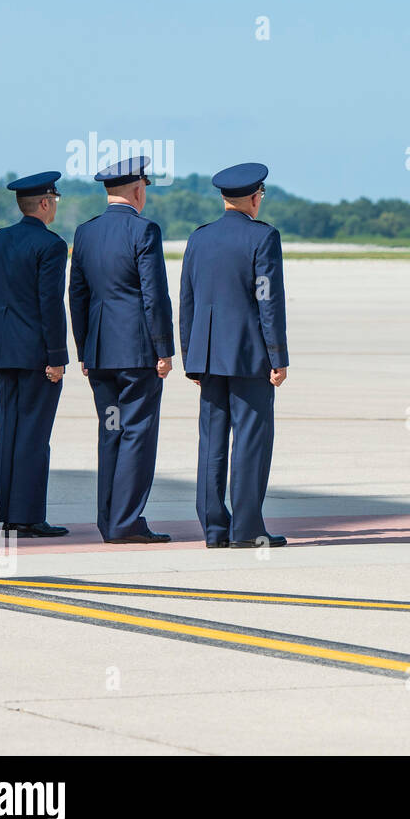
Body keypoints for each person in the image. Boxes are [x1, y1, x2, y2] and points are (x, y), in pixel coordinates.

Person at [180, 163, 289, 549]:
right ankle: (246, 529)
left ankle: (214, 529)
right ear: (255, 197)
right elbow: (267, 301)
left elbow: (188, 300)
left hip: (208, 356)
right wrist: (278, 355)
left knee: (211, 442)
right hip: (247, 355)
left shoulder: (200, 238)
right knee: (250, 440)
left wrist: (190, 356)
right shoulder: (263, 237)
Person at [69, 156, 174, 544]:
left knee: (111, 430)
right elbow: (154, 294)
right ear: (138, 190)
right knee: (137, 433)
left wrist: (83, 349)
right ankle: (126, 521)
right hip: (136, 353)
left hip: (100, 354)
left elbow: (76, 295)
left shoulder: (86, 231)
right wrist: (164, 349)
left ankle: (108, 518)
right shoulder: (144, 230)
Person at [0, 172, 70, 537]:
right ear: (44, 203)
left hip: (1, 350)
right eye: (54, 201)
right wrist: (57, 356)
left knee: (7, 431)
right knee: (33, 434)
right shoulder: (51, 245)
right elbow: (50, 304)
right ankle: (28, 516)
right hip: (35, 354)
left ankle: (10, 514)